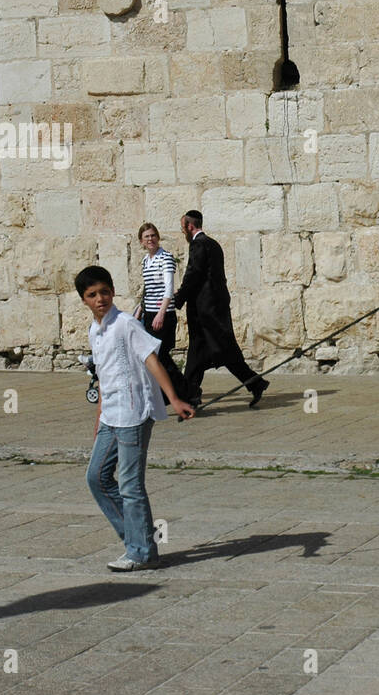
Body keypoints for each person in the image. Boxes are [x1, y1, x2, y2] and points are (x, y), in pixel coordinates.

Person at [75, 265, 195, 572]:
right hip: (110, 416)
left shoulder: (126, 324)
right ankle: (136, 539)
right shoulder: (95, 331)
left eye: (104, 291)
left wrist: (175, 399)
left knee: (130, 485)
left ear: (113, 292)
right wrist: (99, 417)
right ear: (84, 300)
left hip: (134, 413)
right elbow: (102, 376)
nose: (100, 298)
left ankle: (141, 551)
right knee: (96, 478)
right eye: (92, 295)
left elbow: (151, 361)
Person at [172, 210, 269, 409]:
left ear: (190, 226)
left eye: (183, 228)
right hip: (214, 307)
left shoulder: (198, 245)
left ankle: (190, 396)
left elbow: (194, 275)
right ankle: (192, 394)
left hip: (205, 310)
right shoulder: (214, 244)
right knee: (207, 351)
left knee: (216, 350)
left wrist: (178, 298)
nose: (184, 232)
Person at [135, 222, 190, 404]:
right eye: (146, 237)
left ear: (158, 237)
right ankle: (169, 394)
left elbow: (169, 288)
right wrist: (140, 311)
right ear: (141, 241)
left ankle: (187, 392)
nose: (150, 239)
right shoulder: (146, 261)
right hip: (149, 313)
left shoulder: (165, 258)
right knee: (157, 356)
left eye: (153, 235)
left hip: (163, 314)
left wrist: (161, 313)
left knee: (161, 356)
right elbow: (148, 290)